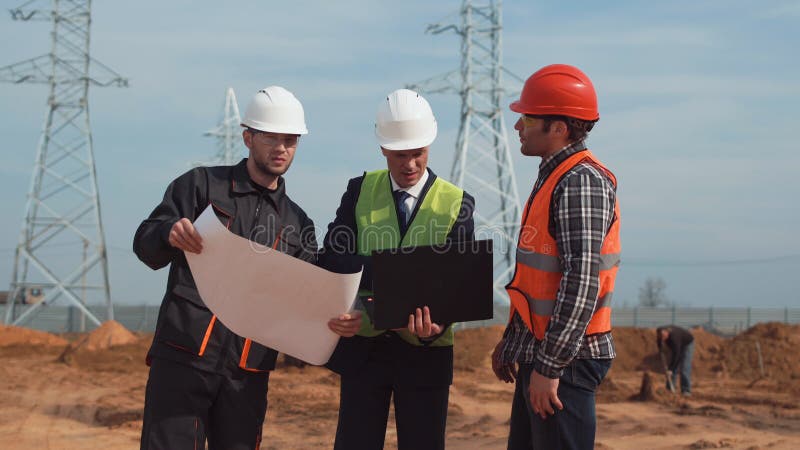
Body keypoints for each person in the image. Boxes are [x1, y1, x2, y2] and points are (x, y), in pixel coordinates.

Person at [133, 86, 361, 450]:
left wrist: (339, 319)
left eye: (290, 140)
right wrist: (168, 232)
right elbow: (145, 244)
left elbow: (307, 299)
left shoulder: (298, 223)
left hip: (247, 372)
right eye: (271, 137)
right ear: (248, 138)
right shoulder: (201, 186)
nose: (281, 148)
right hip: (184, 356)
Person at [319, 88, 475, 450]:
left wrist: (436, 326)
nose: (410, 165)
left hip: (426, 353)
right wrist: (390, 275)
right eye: (400, 155)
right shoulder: (359, 191)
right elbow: (333, 257)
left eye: (418, 153)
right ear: (383, 149)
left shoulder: (457, 203)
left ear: (429, 146)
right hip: (364, 351)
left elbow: (458, 281)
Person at [491, 64, 621, 450]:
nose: (518, 126)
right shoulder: (556, 176)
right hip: (546, 353)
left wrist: (549, 367)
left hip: (566, 362)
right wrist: (512, 342)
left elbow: (580, 282)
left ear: (560, 128)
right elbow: (538, 281)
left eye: (528, 118)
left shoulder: (580, 182)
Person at [657, 325, 694, 396]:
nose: (662, 338)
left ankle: (686, 390)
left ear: (667, 333)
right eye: (660, 336)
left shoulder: (674, 338)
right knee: (672, 369)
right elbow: (659, 343)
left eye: (663, 336)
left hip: (687, 344)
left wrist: (671, 369)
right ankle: (669, 389)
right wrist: (660, 350)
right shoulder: (660, 334)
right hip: (677, 346)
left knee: (684, 368)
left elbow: (677, 356)